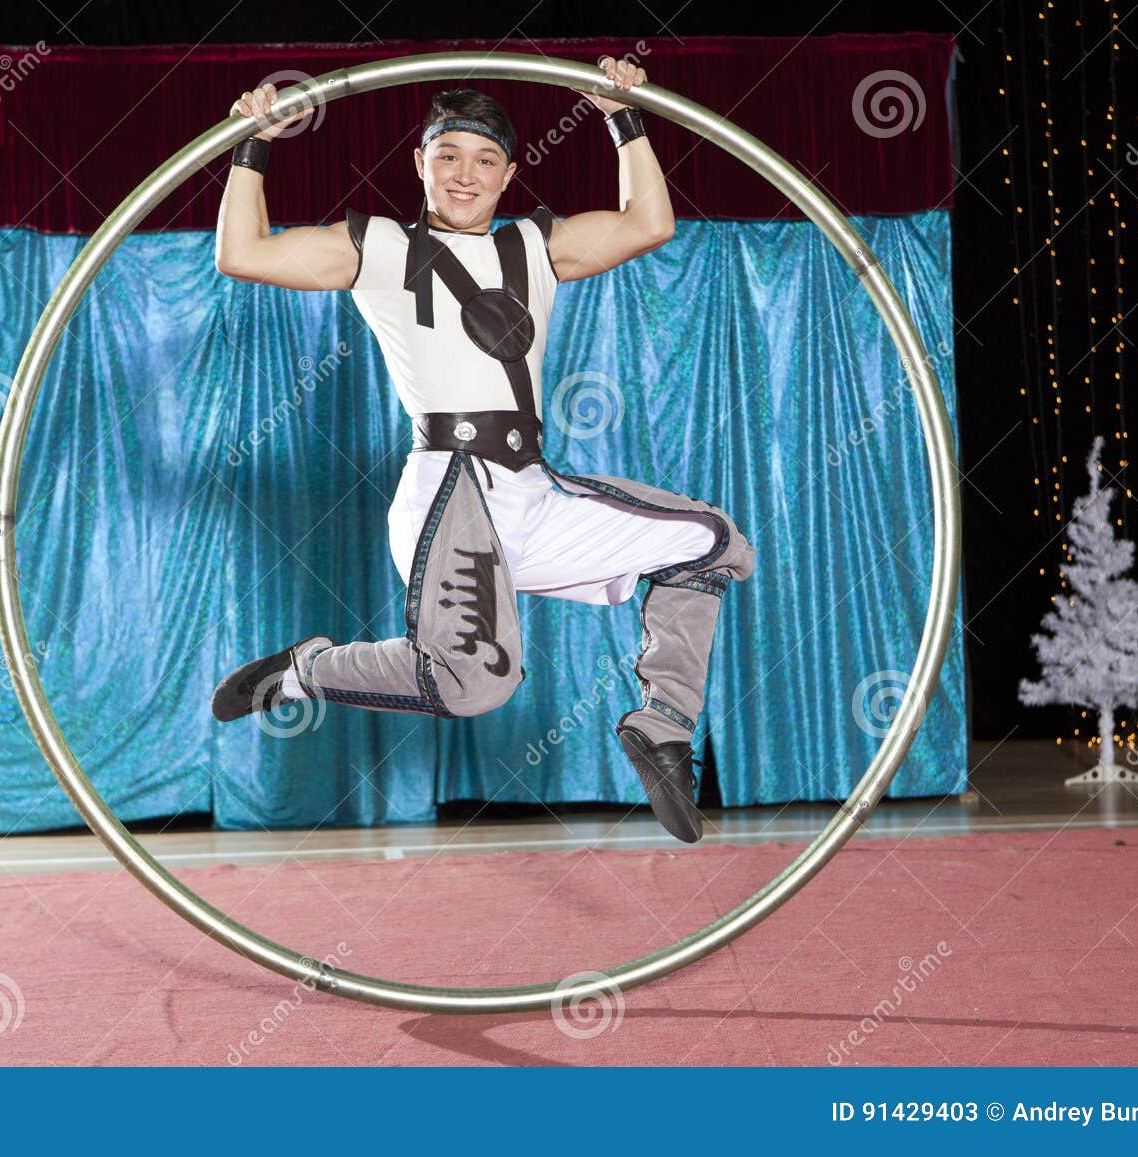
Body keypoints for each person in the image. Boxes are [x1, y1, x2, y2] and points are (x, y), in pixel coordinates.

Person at [209, 56, 755, 842]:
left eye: (485, 160)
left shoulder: (534, 247)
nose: (465, 176)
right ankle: (299, 672)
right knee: (474, 687)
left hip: (529, 491)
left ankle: (664, 724)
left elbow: (649, 224)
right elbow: (244, 253)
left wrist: (619, 115)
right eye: (448, 157)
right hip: (448, 494)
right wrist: (252, 143)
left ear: (509, 173)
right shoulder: (379, 248)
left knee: (711, 544)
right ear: (419, 165)